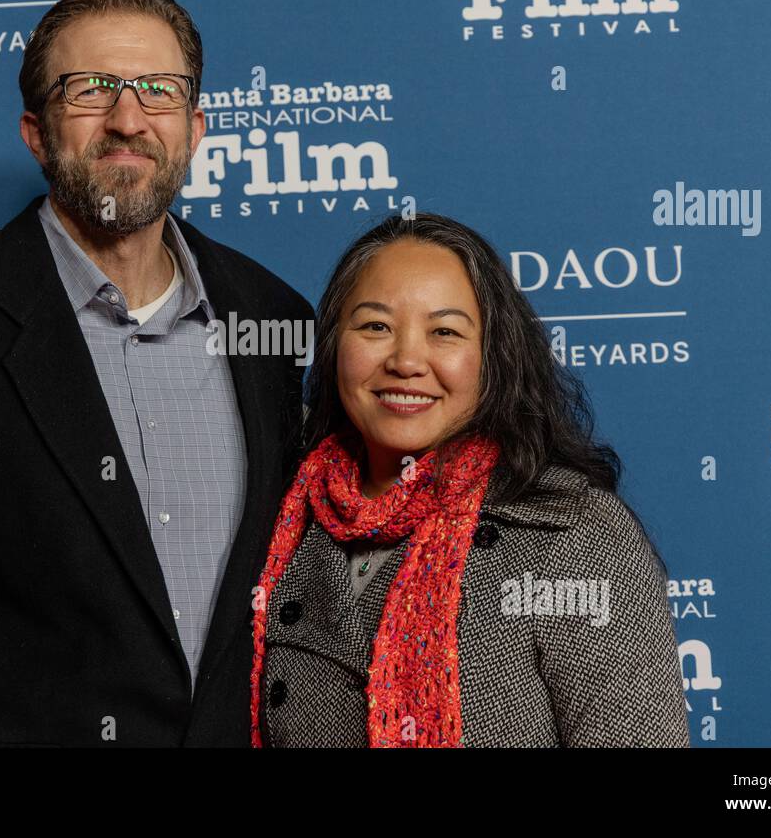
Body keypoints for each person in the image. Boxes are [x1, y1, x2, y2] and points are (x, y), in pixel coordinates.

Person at [0, 0, 312, 746]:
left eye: (157, 90)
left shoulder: (274, 319)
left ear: (196, 124)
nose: (127, 118)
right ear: (36, 132)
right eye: (90, 91)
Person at [251, 213, 690, 747]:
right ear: (333, 346)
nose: (407, 361)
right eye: (375, 327)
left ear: (492, 356)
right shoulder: (289, 518)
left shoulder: (571, 532)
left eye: (444, 332)